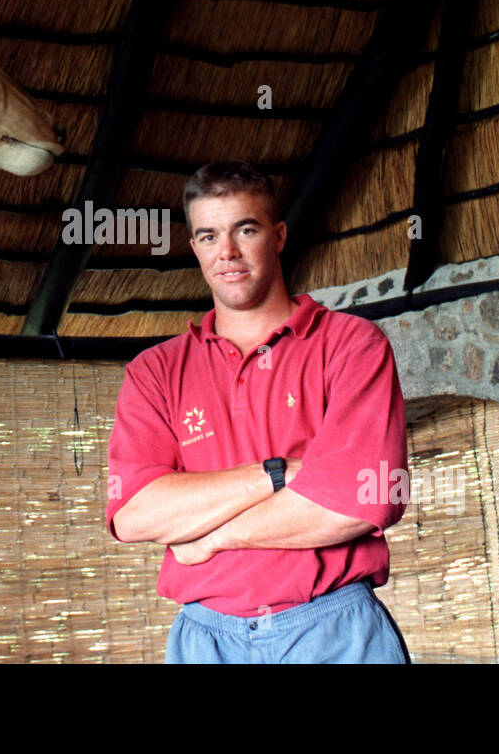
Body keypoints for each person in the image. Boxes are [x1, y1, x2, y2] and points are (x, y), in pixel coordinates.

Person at [105, 160, 411, 663]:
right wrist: (275, 475)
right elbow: (135, 513)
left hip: (333, 629)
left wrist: (210, 537)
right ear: (195, 248)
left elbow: (358, 501)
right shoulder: (154, 371)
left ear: (278, 235)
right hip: (206, 639)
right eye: (207, 236)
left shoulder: (351, 345)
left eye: (245, 230)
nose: (226, 252)